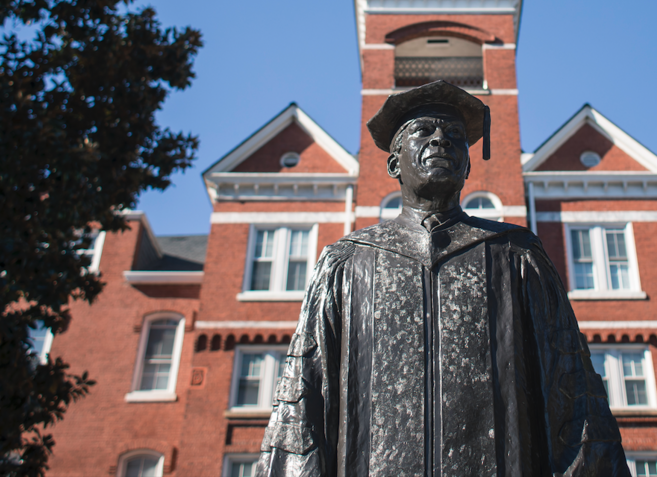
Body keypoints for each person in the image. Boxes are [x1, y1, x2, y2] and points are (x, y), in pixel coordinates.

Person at [255, 81, 630, 477]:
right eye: (422, 131)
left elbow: (572, 394)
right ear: (394, 163)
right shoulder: (347, 263)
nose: (440, 141)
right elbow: (304, 395)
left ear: (468, 166)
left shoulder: (514, 254)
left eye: (454, 135)